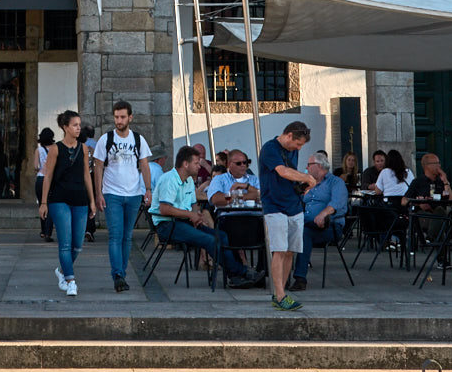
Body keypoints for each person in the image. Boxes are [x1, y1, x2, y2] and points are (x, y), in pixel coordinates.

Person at [150, 146, 256, 288]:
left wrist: (197, 215)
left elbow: (193, 203)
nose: (199, 166)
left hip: (184, 222)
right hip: (167, 225)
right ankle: (238, 273)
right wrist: (191, 215)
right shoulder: (169, 179)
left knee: (222, 236)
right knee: (210, 240)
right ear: (185, 164)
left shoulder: (188, 180)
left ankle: (237, 274)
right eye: (196, 163)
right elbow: (164, 209)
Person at [88, 101, 153, 293]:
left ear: (130, 118)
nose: (119, 120)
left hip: (133, 194)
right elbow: (98, 166)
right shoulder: (106, 139)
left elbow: (145, 165)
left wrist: (148, 189)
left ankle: (122, 273)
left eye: (122, 117)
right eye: (116, 117)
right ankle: (117, 274)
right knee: (115, 235)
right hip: (112, 193)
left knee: (127, 236)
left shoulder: (138, 140)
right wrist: (98, 193)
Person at [258, 120, 313, 312]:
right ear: (289, 135)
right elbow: (282, 171)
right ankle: (279, 294)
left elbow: (292, 173)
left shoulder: (293, 150)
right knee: (279, 250)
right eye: (298, 144)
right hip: (274, 205)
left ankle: (281, 293)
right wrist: (307, 177)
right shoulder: (270, 149)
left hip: (294, 204)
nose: (299, 148)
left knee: (291, 250)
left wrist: (302, 184)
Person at [37, 110, 93, 297]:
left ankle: (62, 270)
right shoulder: (55, 149)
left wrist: (92, 200)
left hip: (80, 199)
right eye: (75, 125)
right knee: (65, 243)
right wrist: (44, 202)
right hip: (59, 199)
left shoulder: (83, 149)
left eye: (79, 125)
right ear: (65, 127)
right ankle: (70, 281)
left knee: (78, 244)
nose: (78, 128)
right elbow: (48, 176)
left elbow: (86, 175)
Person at [293, 152, 349, 290]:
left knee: (305, 234)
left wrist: (323, 214)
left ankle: (300, 279)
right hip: (306, 223)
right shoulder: (309, 183)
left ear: (319, 166)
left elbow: (337, 203)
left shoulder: (336, 182)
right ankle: (267, 273)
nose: (306, 168)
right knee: (276, 230)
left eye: (309, 165)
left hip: (330, 226)